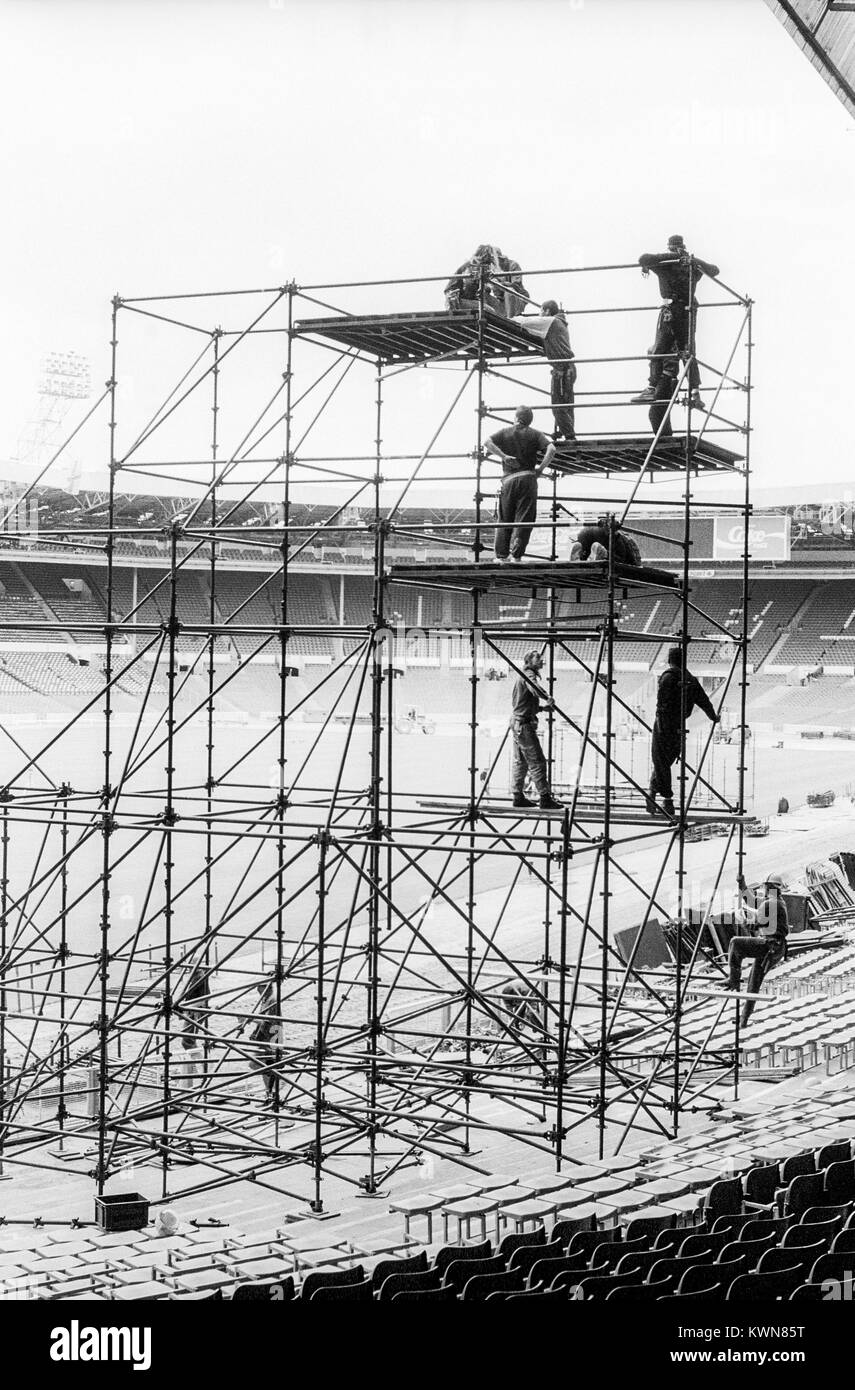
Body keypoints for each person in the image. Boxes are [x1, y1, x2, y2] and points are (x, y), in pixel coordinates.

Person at [631, 234, 720, 413]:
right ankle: (695, 392)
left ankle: (651, 388)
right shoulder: (692, 266)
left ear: (670, 247)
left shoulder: (666, 264)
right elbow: (714, 270)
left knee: (659, 350)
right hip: (688, 311)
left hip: (671, 311)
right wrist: (690, 259)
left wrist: (672, 256)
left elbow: (643, 259)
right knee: (687, 351)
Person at [647, 645, 719, 818]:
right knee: (665, 762)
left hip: (665, 724)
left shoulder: (668, 677)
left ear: (670, 660)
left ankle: (664, 797)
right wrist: (713, 717)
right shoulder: (691, 679)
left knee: (660, 761)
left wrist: (661, 726)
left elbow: (662, 705)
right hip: (679, 726)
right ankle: (655, 794)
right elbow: (704, 701)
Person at [484, 406, 556, 562]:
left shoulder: (505, 432)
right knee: (525, 519)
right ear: (530, 421)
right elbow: (551, 449)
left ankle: (502, 556)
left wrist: (504, 456)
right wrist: (540, 469)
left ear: (516, 418)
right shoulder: (535, 434)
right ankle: (517, 555)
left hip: (509, 479)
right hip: (528, 478)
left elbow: (487, 442)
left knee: (505, 518)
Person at [725, 872, 789, 1026]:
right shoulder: (776, 901)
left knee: (735, 943)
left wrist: (742, 920)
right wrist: (742, 885)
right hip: (776, 947)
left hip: (769, 946)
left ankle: (734, 979)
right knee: (753, 983)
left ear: (768, 887)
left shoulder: (771, 904)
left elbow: (754, 925)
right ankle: (744, 1019)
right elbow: (753, 901)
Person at [510, 649, 562, 810]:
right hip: (524, 725)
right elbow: (534, 688)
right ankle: (545, 798)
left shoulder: (522, 675)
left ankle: (517, 796)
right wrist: (547, 697)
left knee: (521, 762)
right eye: (537, 658)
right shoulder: (528, 675)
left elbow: (523, 703)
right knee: (537, 761)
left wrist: (542, 709)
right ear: (529, 661)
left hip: (518, 722)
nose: (541, 660)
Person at [444, 245, 528, 318]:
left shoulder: (511, 265)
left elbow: (515, 287)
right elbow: (450, 288)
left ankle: (510, 319)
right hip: (460, 302)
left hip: (514, 299)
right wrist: (452, 295)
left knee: (508, 293)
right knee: (489, 310)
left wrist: (496, 283)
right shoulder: (467, 267)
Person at [540, 299, 576, 442]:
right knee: (566, 404)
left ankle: (569, 436)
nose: (540, 314)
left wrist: (513, 319)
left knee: (558, 406)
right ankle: (567, 432)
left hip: (562, 369)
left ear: (547, 311)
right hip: (568, 367)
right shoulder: (560, 322)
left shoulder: (551, 321)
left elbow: (527, 323)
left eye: (541, 310)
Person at [244, 974, 282, 1104]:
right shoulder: (266, 999)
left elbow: (268, 1022)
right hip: (266, 1037)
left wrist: (251, 1019)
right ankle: (270, 1092)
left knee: (260, 1064)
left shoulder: (273, 1000)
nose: (257, 990)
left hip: (273, 1037)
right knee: (262, 1065)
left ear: (265, 987)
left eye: (258, 987)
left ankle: (272, 1092)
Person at [570, 517, 642, 566]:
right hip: (624, 563)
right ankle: (591, 558)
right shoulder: (618, 536)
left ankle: (579, 561)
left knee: (587, 551)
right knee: (593, 550)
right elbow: (623, 559)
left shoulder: (618, 537)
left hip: (626, 563)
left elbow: (624, 559)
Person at [177, 960, 210, 1052]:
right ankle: (197, 1059)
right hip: (192, 1010)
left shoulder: (200, 977)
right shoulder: (195, 976)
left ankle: (199, 1060)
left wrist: (187, 1007)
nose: (188, 967)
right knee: (188, 1040)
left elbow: (205, 999)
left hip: (196, 1012)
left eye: (190, 964)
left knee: (187, 1041)